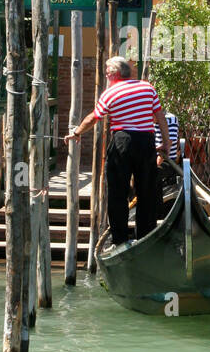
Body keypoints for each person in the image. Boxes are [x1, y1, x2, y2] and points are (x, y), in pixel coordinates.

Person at [65, 57, 172, 246]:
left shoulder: (110, 92)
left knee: (117, 191)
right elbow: (160, 116)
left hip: (122, 141)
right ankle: (145, 237)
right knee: (146, 190)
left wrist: (77, 132)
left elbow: (94, 117)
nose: (106, 74)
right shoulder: (148, 88)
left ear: (115, 74)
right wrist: (166, 142)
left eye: (107, 71)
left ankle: (120, 240)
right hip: (145, 142)